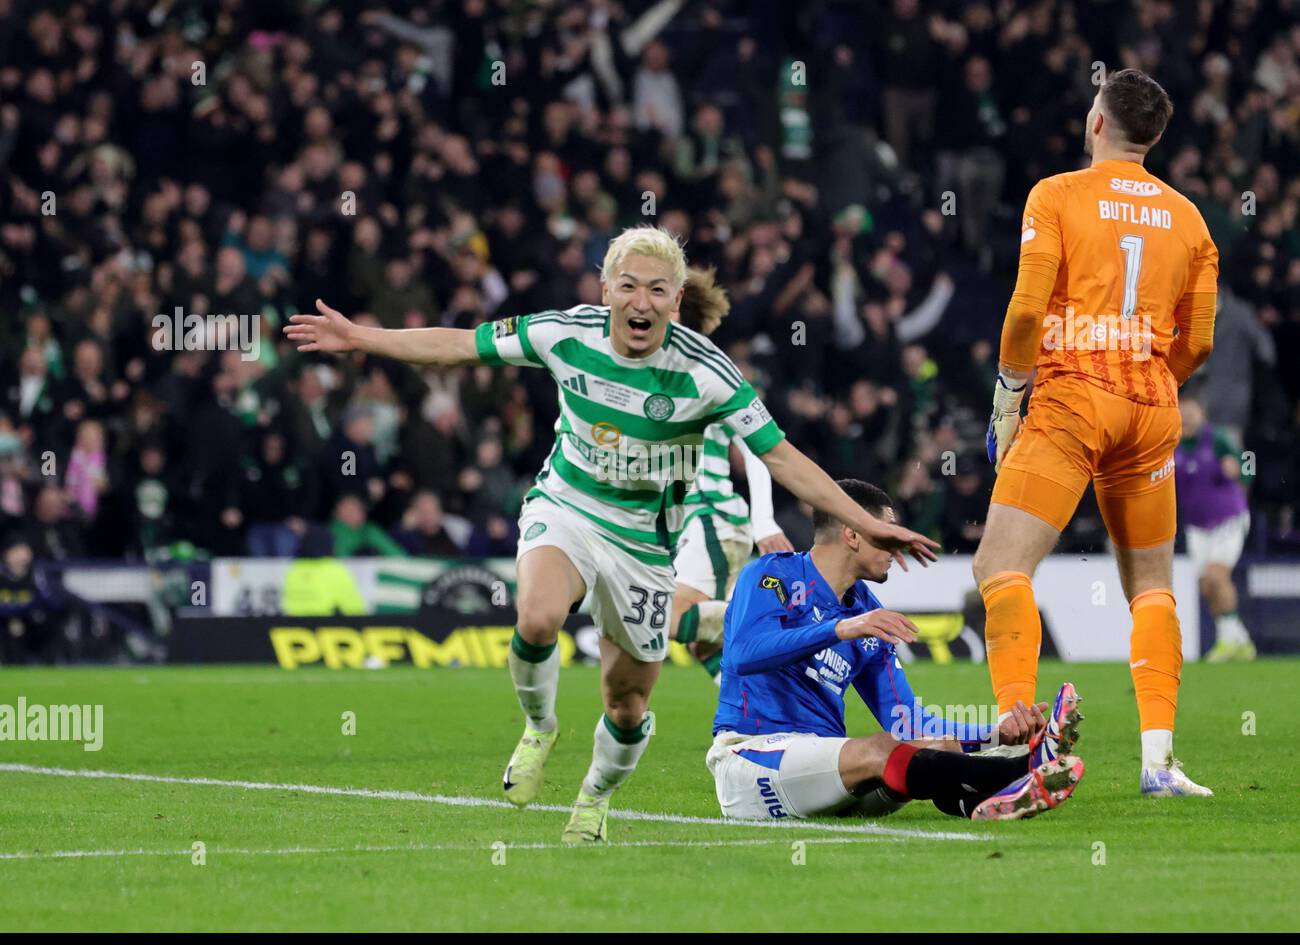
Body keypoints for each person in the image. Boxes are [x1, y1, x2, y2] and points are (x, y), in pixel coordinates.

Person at [286, 225, 939, 843]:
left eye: (658, 289)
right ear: (605, 290)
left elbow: (784, 459)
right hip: (566, 508)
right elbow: (459, 343)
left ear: (676, 301)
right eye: (628, 284)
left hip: (645, 546)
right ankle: (540, 727)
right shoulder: (563, 333)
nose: (641, 300)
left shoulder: (709, 372)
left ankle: (595, 794)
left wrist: (864, 523)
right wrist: (361, 336)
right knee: (538, 616)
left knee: (626, 705)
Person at [975, 69, 1218, 797]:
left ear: (1097, 123)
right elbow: (1199, 342)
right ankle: (1158, 763)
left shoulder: (1056, 195)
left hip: (1073, 396)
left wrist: (1009, 396)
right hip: (1150, 407)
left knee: (1001, 569)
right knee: (1152, 591)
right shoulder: (1191, 218)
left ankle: (1020, 734)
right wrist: (1151, 376)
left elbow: (1024, 311)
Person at [709, 480, 1084, 822]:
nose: (896, 547)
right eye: (886, 534)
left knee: (935, 745)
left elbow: (909, 723)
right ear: (853, 534)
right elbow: (744, 654)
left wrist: (998, 734)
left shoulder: (864, 611)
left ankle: (983, 796)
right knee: (880, 748)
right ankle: (1017, 772)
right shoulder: (773, 574)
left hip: (827, 777)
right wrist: (839, 630)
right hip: (751, 761)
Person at [670, 266, 792, 685]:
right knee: (704, 644)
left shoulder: (706, 372)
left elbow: (758, 450)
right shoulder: (653, 372)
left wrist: (765, 521)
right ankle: (760, 717)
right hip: (695, 523)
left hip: (712, 517)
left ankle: (782, 623)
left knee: (667, 619)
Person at [1176, 393, 1254, 661]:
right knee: (1206, 585)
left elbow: (1248, 461)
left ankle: (1226, 642)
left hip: (1228, 519)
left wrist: (1241, 472)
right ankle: (1239, 639)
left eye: (1191, 413)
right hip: (1198, 525)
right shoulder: (1170, 444)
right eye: (1181, 413)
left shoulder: (1218, 439)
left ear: (1202, 415)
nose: (1186, 418)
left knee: (1217, 576)